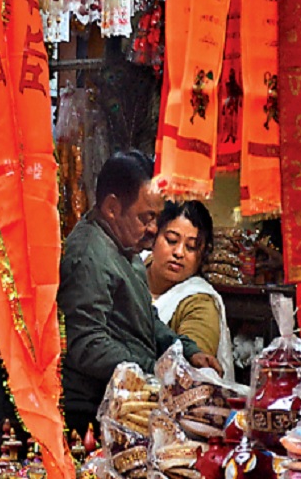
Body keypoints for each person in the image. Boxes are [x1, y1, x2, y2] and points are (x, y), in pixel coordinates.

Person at [58, 151, 223, 436]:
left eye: (157, 218)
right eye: (146, 217)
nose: (152, 230)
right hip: (94, 413)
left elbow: (147, 318)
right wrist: (154, 370)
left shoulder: (125, 243)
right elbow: (87, 344)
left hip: (128, 403)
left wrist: (186, 350)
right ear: (112, 208)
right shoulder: (89, 255)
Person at [145, 201, 234, 382]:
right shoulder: (129, 268)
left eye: (191, 247)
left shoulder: (200, 303)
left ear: (202, 255)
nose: (179, 252)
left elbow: (187, 371)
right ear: (153, 237)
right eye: (171, 240)